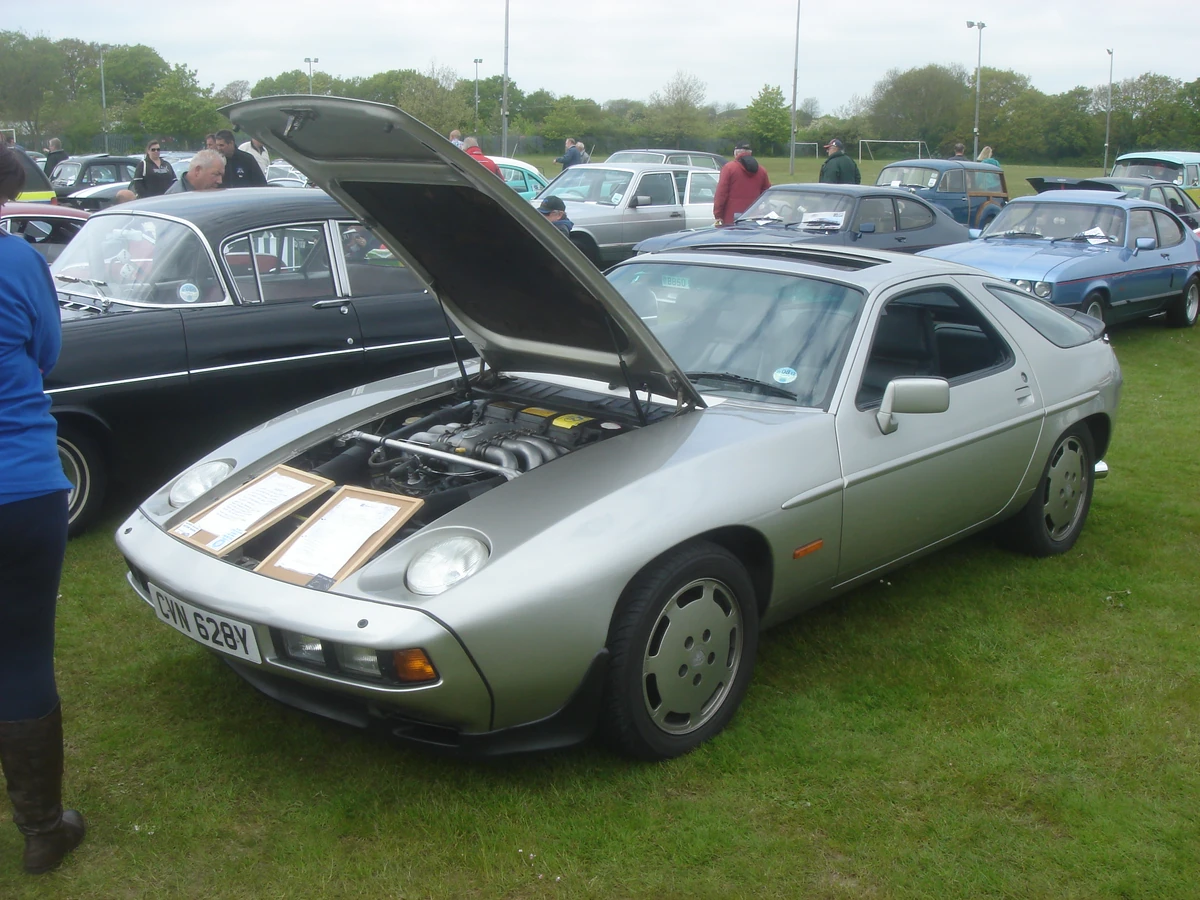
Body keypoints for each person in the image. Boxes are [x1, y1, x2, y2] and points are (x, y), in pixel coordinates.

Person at [0, 146, 85, 876]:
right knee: (21, 650)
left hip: (20, 480)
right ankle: (39, 828)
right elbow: (47, 351)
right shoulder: (18, 262)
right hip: (21, 484)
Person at [713, 141, 771, 225]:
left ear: (736, 153)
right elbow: (766, 195)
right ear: (750, 153)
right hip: (754, 217)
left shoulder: (729, 168)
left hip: (731, 218)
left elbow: (721, 193)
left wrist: (718, 214)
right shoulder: (762, 170)